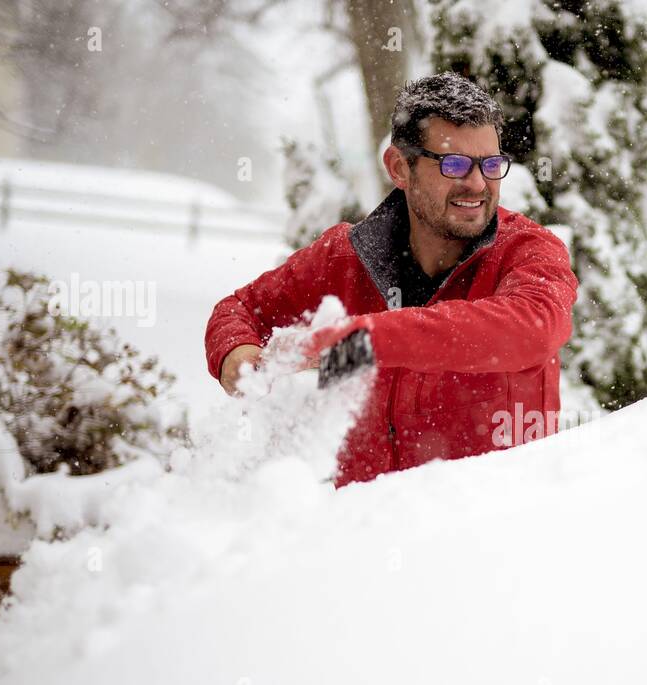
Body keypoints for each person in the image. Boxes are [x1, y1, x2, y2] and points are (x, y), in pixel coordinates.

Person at [204, 72, 579, 488]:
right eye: (454, 164)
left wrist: (358, 345)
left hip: (495, 529)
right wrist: (235, 355)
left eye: (490, 165)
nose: (477, 184)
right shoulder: (343, 257)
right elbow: (238, 310)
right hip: (364, 530)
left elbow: (534, 327)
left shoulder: (528, 250)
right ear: (400, 167)